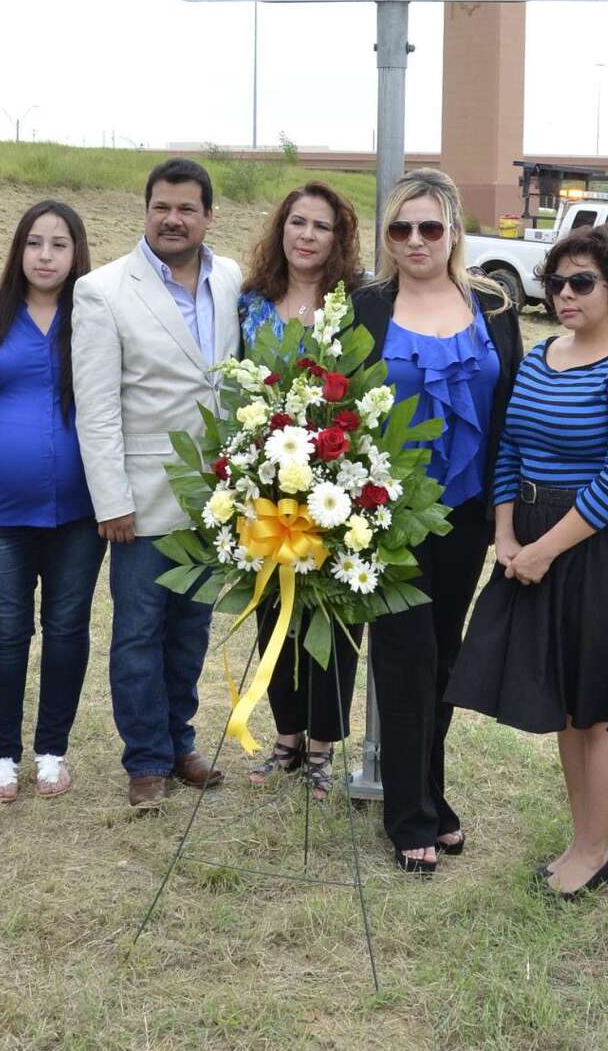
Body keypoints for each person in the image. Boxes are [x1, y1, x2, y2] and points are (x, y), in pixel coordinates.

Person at [448, 224, 608, 899]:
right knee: (568, 699)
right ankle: (582, 840)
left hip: (601, 546)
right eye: (558, 280)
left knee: (601, 704)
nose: (566, 293)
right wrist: (508, 534)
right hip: (534, 538)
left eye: (583, 282)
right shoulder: (544, 354)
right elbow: (511, 449)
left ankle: (596, 849)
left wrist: (547, 547)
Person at [352, 168, 521, 874]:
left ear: (453, 230)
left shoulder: (494, 304)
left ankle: (433, 794)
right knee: (405, 655)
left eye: (429, 226)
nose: (415, 240)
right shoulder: (362, 307)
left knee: (445, 655)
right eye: (400, 228)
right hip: (385, 515)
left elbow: (510, 408)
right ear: (386, 236)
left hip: (467, 512)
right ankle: (410, 814)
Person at [72, 158, 241, 813]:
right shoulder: (105, 289)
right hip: (140, 500)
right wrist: (111, 497)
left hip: (214, 498)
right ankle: (145, 761)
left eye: (186, 208)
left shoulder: (228, 279)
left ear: (208, 216)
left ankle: (179, 743)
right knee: (139, 632)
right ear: (146, 210)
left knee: (190, 630)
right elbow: (97, 404)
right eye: (161, 207)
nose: (173, 219)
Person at [0, 200, 102, 803]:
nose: (45, 255)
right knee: (6, 632)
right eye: (34, 243)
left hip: (81, 514)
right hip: (0, 512)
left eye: (59, 244)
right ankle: (2, 758)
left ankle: (51, 752)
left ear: (76, 253)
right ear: (19, 250)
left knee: (66, 629)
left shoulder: (92, 316)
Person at [238, 181, 365, 800]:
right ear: (280, 230)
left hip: (339, 477)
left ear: (338, 238)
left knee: (331, 611)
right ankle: (286, 737)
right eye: (297, 223)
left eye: (320, 226)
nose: (306, 236)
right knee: (274, 609)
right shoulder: (252, 303)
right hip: (269, 476)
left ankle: (321, 747)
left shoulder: (358, 303)